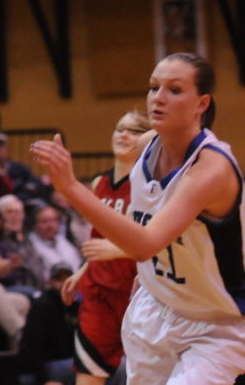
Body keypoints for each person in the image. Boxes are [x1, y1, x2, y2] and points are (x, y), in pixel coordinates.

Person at [31, 53, 245, 384]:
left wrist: (71, 188)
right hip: (154, 306)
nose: (158, 97)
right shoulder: (146, 146)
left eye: (174, 90)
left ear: (202, 103)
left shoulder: (211, 168)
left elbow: (144, 244)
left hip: (216, 322)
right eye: (153, 87)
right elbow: (140, 222)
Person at [61, 110, 149, 384]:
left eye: (134, 130)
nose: (124, 134)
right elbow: (99, 238)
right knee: (88, 376)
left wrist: (120, 249)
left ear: (147, 139)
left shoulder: (151, 186)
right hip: (99, 294)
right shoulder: (99, 183)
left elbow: (162, 240)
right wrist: (82, 271)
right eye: (119, 128)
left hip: (139, 294)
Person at [17, 263, 77, 385]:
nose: (64, 283)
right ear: (50, 282)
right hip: (42, 369)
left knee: (111, 365)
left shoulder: (76, 306)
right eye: (59, 279)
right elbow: (31, 347)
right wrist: (44, 380)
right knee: (89, 367)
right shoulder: (42, 305)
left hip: (66, 363)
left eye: (67, 279)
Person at [28, 204, 82, 284]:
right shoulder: (30, 245)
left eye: (53, 220)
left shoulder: (62, 240)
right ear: (34, 225)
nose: (50, 226)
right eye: (44, 222)